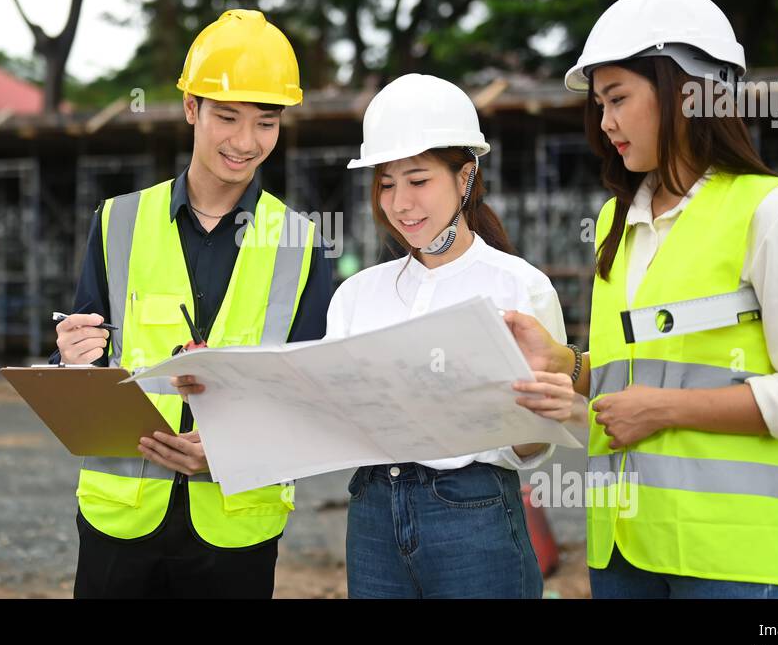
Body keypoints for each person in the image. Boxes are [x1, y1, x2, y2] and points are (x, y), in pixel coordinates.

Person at [507, 0, 778, 598]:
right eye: (599, 104)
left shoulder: (770, 216)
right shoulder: (617, 223)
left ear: (688, 93)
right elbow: (643, 375)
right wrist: (570, 366)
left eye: (618, 98)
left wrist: (664, 412)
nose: (605, 121)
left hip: (732, 557)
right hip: (621, 545)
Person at [180, 74, 577, 598]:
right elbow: (318, 415)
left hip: (473, 513)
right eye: (387, 184)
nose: (400, 203)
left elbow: (530, 445)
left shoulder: (519, 286)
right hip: (372, 512)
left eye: (418, 181)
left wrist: (538, 410)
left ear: (465, 177)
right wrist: (229, 437)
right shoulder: (358, 295)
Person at [52, 9, 333, 598]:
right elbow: (89, 372)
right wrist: (73, 362)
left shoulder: (304, 243)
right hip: (120, 519)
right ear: (191, 110)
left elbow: (311, 392)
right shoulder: (116, 222)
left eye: (265, 122)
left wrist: (234, 449)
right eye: (227, 117)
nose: (244, 142)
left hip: (235, 523)